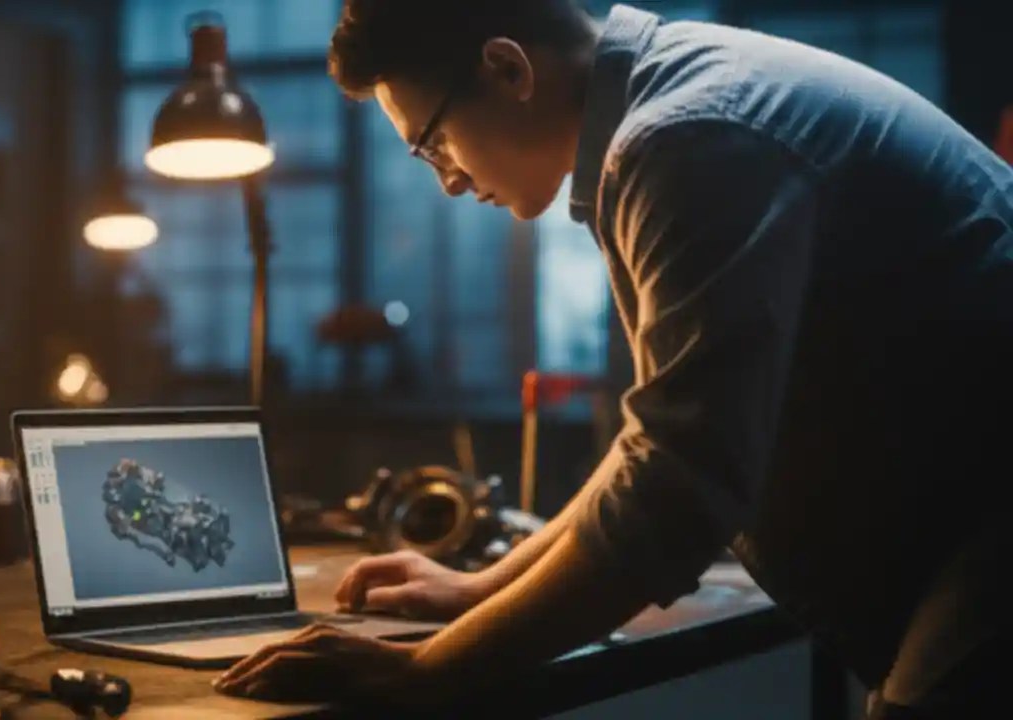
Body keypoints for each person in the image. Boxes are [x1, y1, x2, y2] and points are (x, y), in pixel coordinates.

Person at [212, 2, 1013, 717]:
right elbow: (659, 448)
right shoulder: (676, 100)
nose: (448, 182)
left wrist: (421, 673)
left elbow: (679, 491)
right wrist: (482, 589)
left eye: (433, 142)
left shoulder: (686, 138)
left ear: (506, 68)